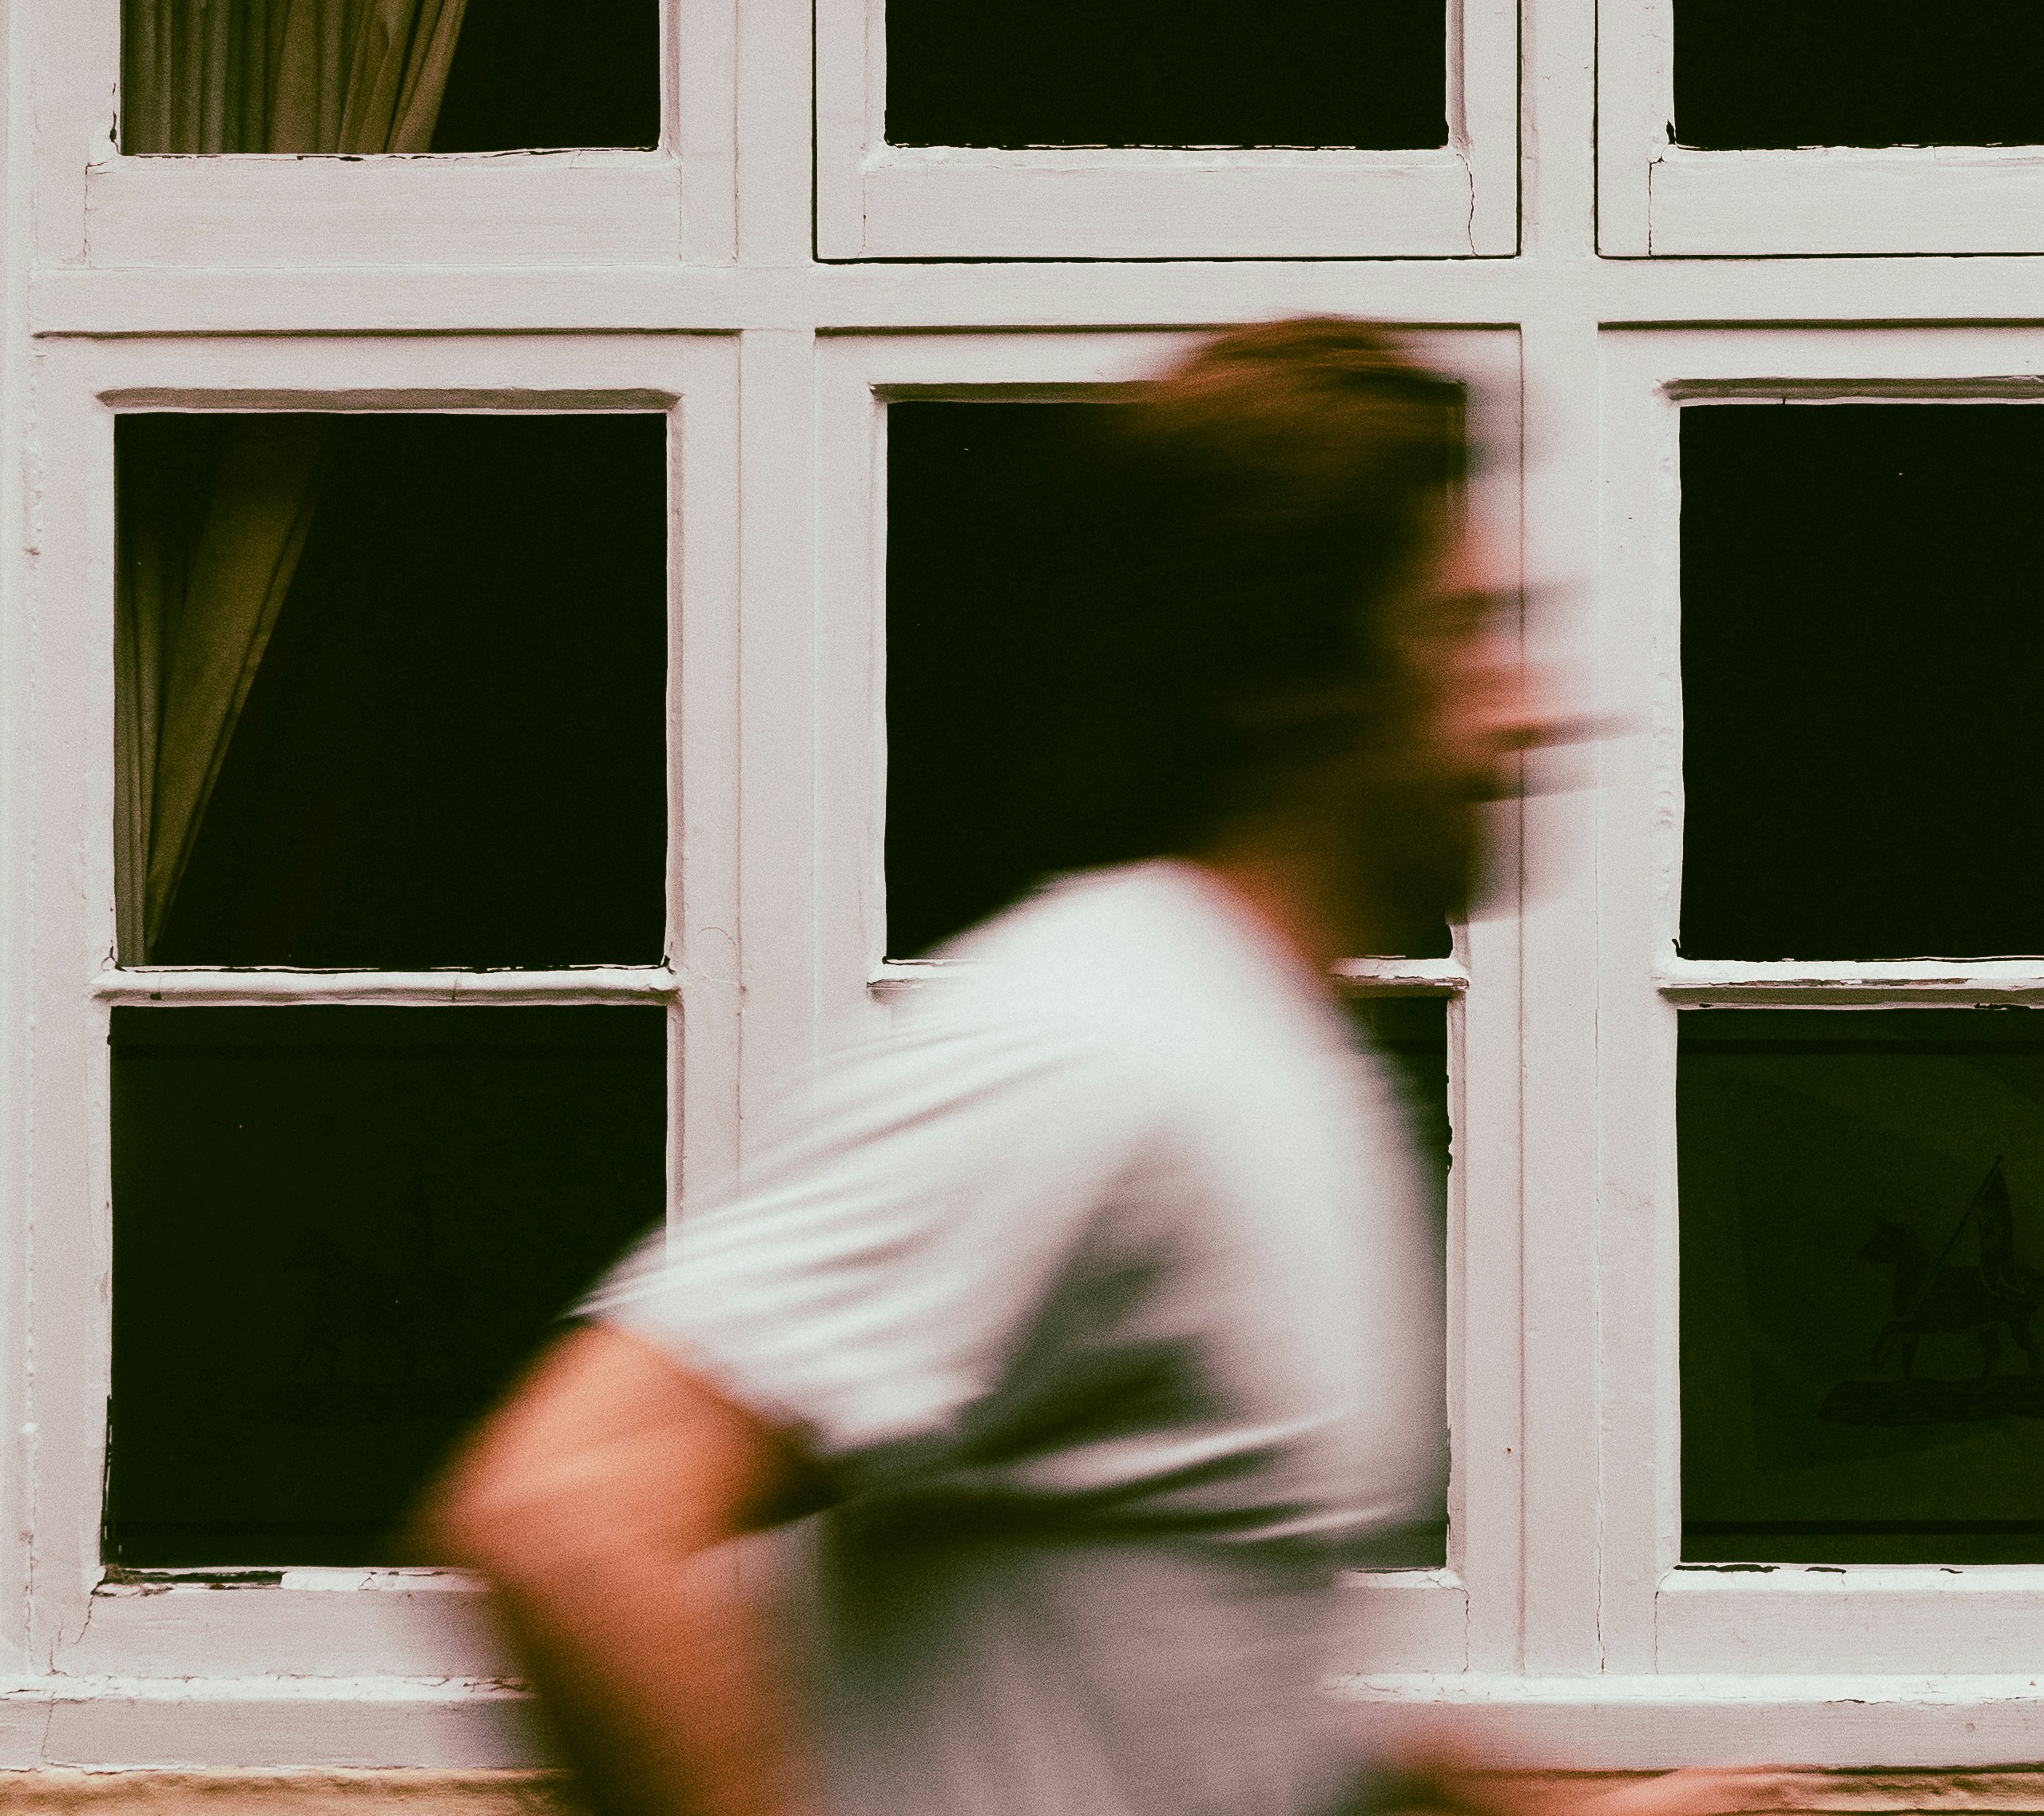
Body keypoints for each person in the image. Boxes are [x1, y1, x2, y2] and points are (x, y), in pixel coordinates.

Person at [433, 321, 1773, 1816]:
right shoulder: (1090, 1043)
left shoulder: (1278, 1061)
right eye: (1465, 632)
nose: (1538, 708)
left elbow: (1206, 1695)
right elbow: (570, 1513)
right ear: (1291, 680)